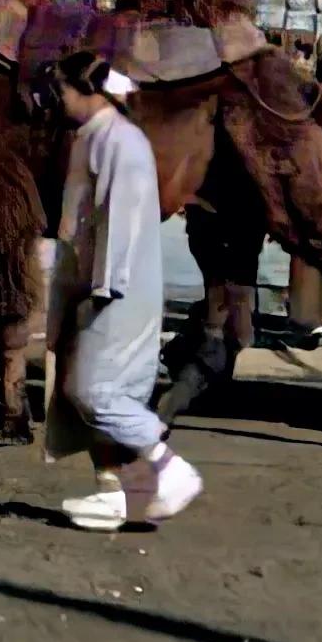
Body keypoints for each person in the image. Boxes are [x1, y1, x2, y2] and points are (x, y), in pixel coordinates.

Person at [44, 33, 200, 533]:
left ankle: (169, 467)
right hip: (91, 282)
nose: (57, 100)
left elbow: (124, 221)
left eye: (62, 91)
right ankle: (114, 492)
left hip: (116, 288)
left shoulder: (121, 142)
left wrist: (103, 287)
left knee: (96, 393)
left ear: (86, 90)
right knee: (80, 392)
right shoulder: (93, 135)